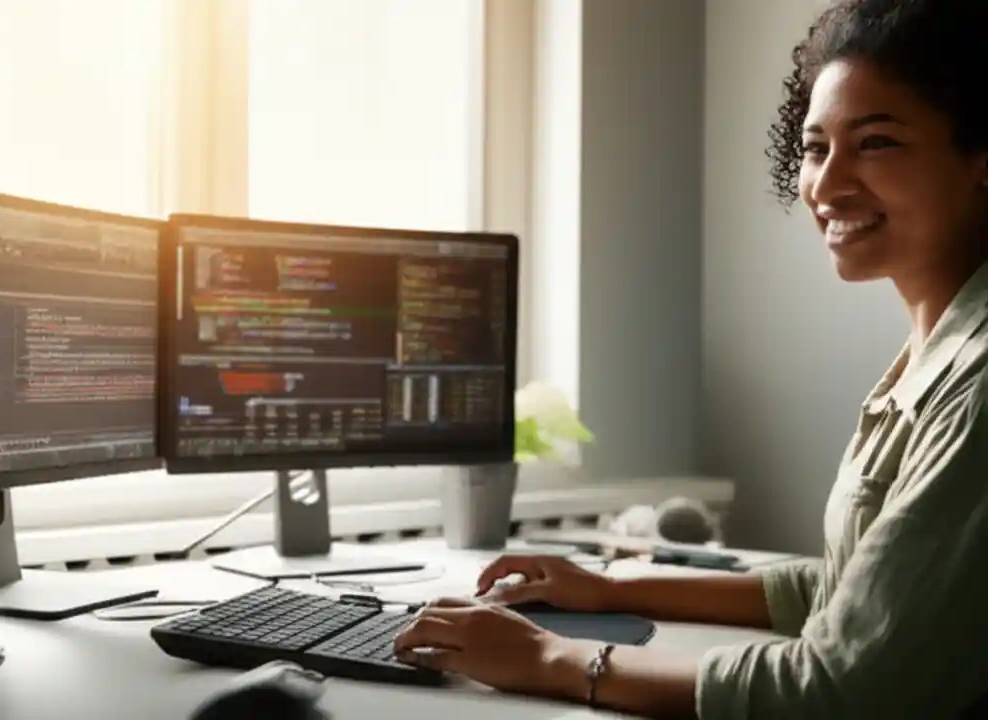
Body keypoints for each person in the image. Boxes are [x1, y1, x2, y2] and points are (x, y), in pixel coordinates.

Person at [393, 0, 988, 717]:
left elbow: (844, 685)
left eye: (876, 143)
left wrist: (552, 659)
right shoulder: (936, 351)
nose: (827, 186)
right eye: (815, 147)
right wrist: (609, 587)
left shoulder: (977, 381)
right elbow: (846, 589)